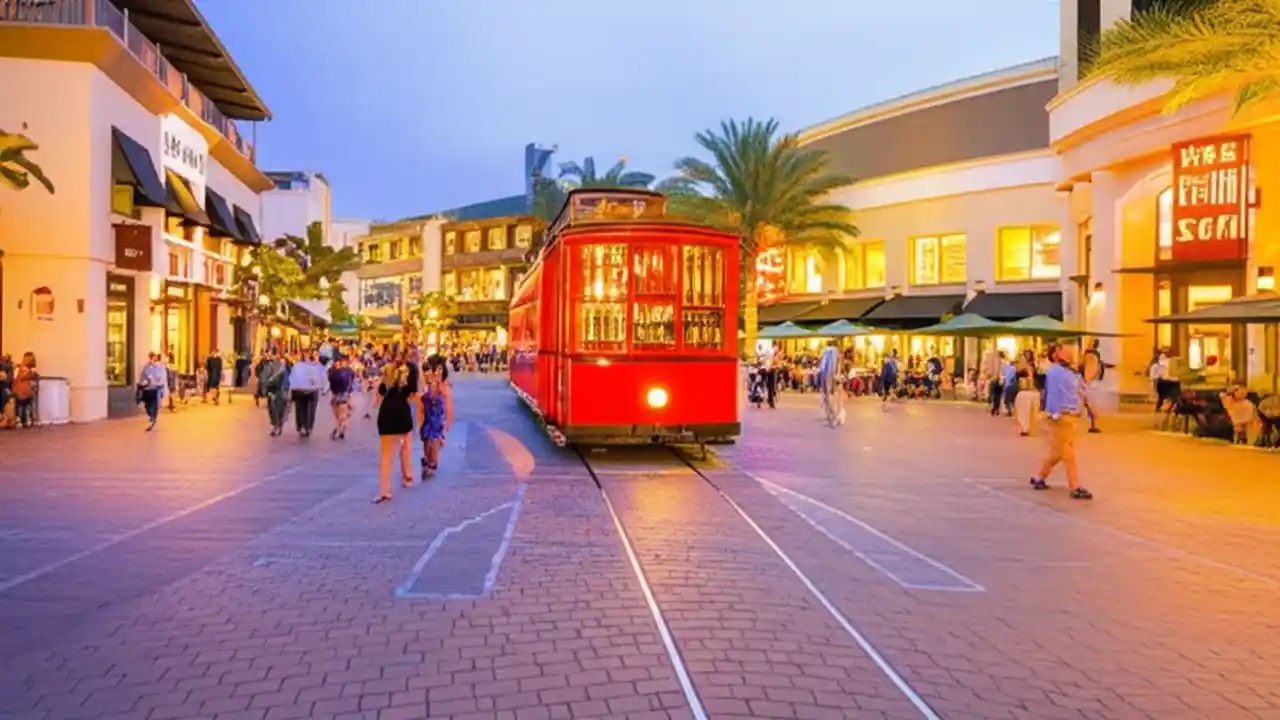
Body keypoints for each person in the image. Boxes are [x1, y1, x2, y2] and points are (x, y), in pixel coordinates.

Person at [1030, 344, 1092, 500]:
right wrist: (1054, 413)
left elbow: (1080, 389)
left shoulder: (1068, 372)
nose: (1071, 353)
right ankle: (1075, 486)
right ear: (1056, 355)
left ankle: (1040, 477)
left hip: (1068, 416)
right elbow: (1055, 394)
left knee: (1057, 452)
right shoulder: (1056, 372)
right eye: (1066, 350)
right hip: (1062, 416)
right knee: (1068, 452)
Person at [374, 357, 416, 504]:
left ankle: (385, 491)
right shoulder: (407, 385)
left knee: (386, 456)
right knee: (405, 446)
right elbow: (414, 397)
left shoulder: (384, 384)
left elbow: (377, 398)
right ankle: (408, 476)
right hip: (403, 416)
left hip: (386, 416)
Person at [419, 355, 455, 475]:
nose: (438, 372)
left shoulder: (444, 387)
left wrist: (449, 420)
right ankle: (427, 458)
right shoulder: (426, 384)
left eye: (441, 370)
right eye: (436, 369)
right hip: (427, 417)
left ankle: (433, 464)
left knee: (434, 440)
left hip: (437, 418)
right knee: (425, 440)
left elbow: (448, 404)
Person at [288, 351, 325, 437]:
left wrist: (291, 390)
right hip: (310, 391)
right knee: (310, 409)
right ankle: (308, 427)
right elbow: (315, 380)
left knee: (299, 409)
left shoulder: (296, 366)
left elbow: (291, 379)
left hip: (298, 390)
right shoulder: (313, 367)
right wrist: (319, 387)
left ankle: (301, 427)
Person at [260, 351, 290, 437]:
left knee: (279, 409)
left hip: (282, 391)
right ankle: (276, 426)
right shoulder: (270, 366)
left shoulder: (287, 367)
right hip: (275, 391)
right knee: (274, 410)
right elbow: (264, 379)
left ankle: (278, 425)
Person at [1081, 338, 1108, 433]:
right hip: (1091, 384)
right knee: (1091, 405)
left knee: (1090, 404)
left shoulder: (1092, 358)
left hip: (1092, 383)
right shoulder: (1092, 357)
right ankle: (1093, 424)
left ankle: (1093, 424)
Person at [327, 355, 356, 440]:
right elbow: (352, 383)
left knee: (337, 414)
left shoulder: (332, 371)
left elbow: (329, 381)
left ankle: (338, 428)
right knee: (344, 415)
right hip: (345, 394)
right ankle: (341, 429)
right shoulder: (350, 371)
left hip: (335, 394)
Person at [137, 352, 168, 431]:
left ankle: (153, 421)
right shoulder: (146, 367)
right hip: (147, 389)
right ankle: (152, 419)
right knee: (147, 406)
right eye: (150, 357)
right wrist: (143, 383)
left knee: (154, 406)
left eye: (153, 357)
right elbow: (143, 376)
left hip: (156, 390)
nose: (151, 359)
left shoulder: (160, 367)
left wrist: (158, 384)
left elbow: (162, 379)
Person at [817, 340, 845, 426]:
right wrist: (838, 375)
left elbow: (821, 364)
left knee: (829, 398)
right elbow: (839, 367)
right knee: (834, 398)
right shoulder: (837, 354)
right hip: (833, 377)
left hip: (827, 376)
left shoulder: (827, 352)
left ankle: (834, 417)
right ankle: (835, 417)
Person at [1013, 348, 1040, 436]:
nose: (1027, 357)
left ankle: (1030, 428)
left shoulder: (1035, 365)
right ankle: (1024, 428)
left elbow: (1037, 377)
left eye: (1029, 355)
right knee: (1022, 410)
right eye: (1026, 355)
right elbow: (1017, 377)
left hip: (1033, 390)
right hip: (1023, 390)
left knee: (1033, 411)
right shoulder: (1019, 367)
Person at [11, 352, 38, 428]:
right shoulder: (19, 368)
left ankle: (24, 419)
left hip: (26, 389)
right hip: (21, 389)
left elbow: (31, 377)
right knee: (21, 403)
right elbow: (16, 379)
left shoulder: (30, 369)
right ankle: (22, 419)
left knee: (25, 403)